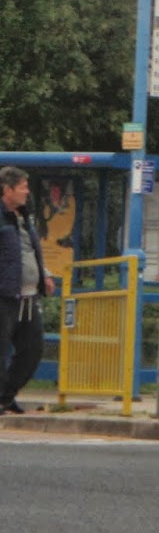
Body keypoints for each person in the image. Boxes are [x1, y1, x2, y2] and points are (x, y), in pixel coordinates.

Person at [0, 166, 56, 414]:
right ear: (7, 189)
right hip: (4, 296)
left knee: (33, 349)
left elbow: (30, 251)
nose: (27, 191)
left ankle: (5, 395)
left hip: (29, 295)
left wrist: (45, 274)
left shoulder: (24, 216)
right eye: (23, 186)